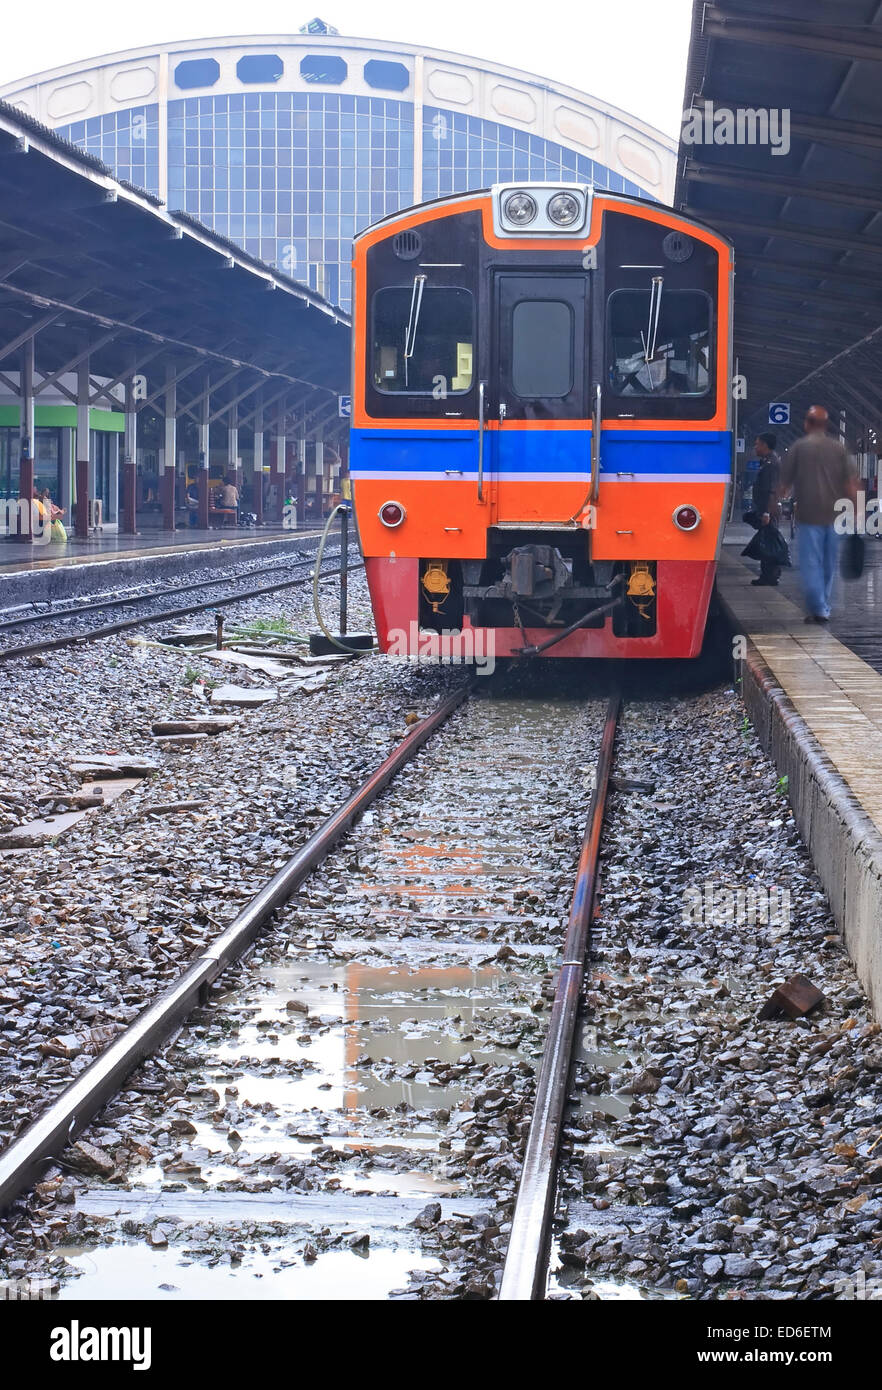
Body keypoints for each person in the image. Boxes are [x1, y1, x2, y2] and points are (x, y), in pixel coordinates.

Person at [780, 405, 858, 624]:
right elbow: (851, 483)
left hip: (809, 516)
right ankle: (823, 605)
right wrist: (857, 511)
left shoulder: (799, 447)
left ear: (807, 423)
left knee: (811, 564)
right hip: (835, 516)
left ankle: (819, 608)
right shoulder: (838, 448)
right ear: (824, 424)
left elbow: (785, 483)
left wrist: (776, 502)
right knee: (828, 564)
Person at [748, 432, 782, 585]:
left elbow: (772, 490)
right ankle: (768, 575)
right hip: (767, 509)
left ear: (764, 445)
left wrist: (767, 512)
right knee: (767, 541)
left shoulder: (771, 464)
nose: (755, 447)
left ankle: (770, 576)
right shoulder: (768, 461)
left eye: (757, 444)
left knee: (769, 544)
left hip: (770, 510)